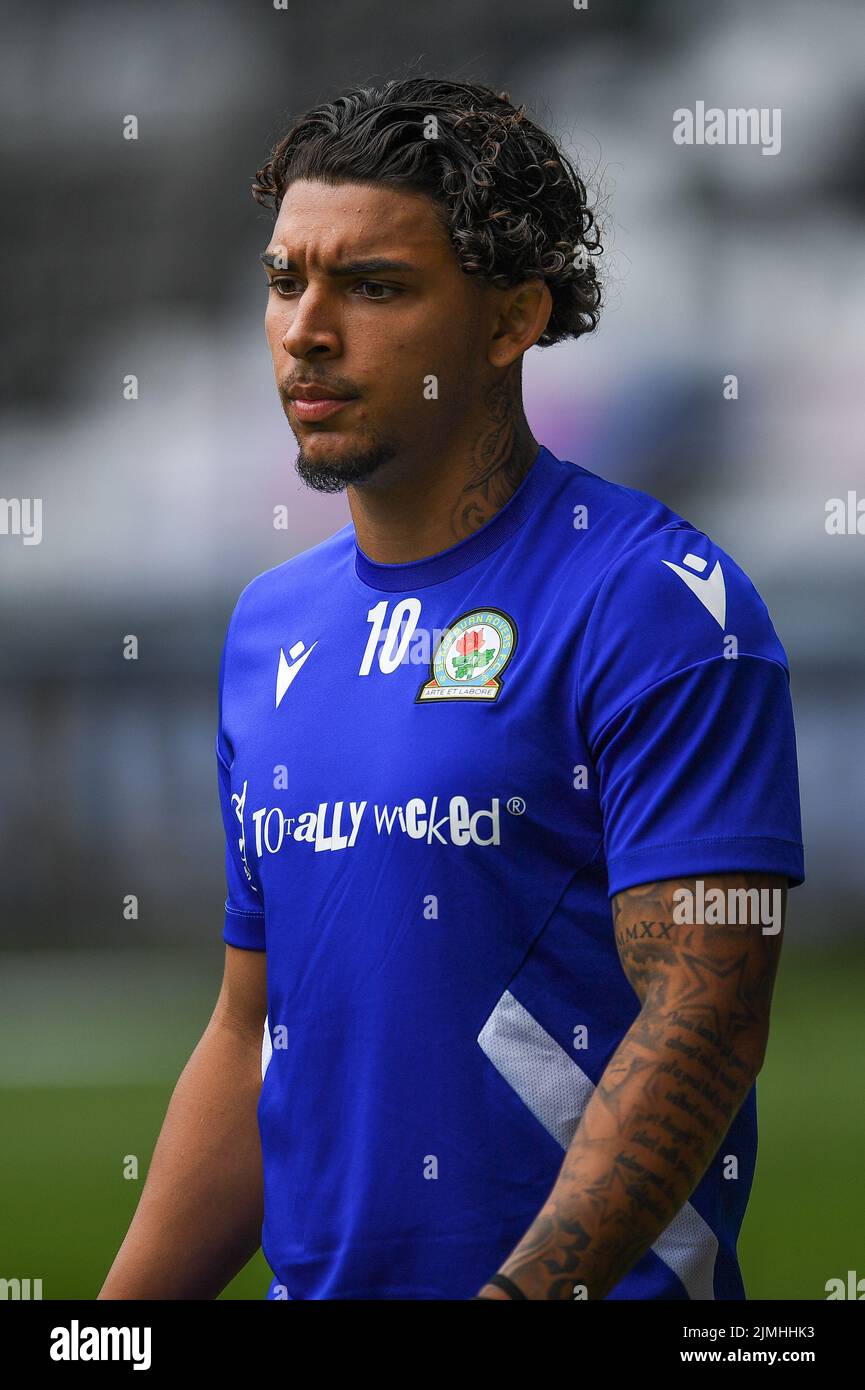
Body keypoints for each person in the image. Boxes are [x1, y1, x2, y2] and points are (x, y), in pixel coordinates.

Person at [99, 76, 804, 1302]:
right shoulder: (272, 626)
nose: (306, 330)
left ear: (509, 320)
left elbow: (704, 1021)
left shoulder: (657, 601)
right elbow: (248, 1030)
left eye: (372, 286)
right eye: (285, 281)